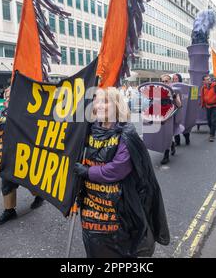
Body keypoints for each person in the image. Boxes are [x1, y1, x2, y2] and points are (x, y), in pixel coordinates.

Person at [73, 87, 170, 258]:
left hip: (118, 206)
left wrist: (87, 172)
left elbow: (117, 169)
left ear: (117, 105)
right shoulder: (89, 129)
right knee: (95, 246)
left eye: (105, 101)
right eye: (97, 101)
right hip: (91, 204)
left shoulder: (126, 133)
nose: (100, 106)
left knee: (119, 248)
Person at [0, 87, 44, 226]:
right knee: (6, 182)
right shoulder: (0, 112)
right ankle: (10, 210)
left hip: (23, 153)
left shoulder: (27, 110)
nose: (7, 98)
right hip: (4, 153)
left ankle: (39, 196)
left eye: (10, 95)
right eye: (5, 96)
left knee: (28, 179)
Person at [160, 74, 182, 165]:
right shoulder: (158, 91)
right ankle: (172, 144)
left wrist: (174, 96)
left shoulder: (175, 91)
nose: (164, 83)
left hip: (170, 116)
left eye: (166, 81)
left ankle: (166, 155)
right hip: (160, 115)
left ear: (170, 82)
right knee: (162, 134)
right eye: (163, 81)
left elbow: (179, 105)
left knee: (167, 134)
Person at [201, 75, 216, 142]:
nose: (208, 80)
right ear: (203, 81)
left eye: (209, 79)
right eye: (206, 79)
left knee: (213, 120)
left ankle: (212, 135)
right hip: (208, 106)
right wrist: (202, 104)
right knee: (209, 121)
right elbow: (202, 96)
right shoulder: (203, 88)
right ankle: (213, 128)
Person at [172, 73, 191, 146]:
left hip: (183, 108)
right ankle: (177, 141)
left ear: (179, 79)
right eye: (173, 79)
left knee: (185, 124)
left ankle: (187, 138)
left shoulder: (184, 87)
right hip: (175, 109)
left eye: (176, 78)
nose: (174, 80)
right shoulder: (172, 87)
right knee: (176, 126)